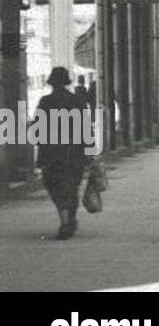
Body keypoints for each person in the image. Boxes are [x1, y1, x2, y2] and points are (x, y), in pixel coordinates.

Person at [36, 67, 89, 240]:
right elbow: (85, 128)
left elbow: (38, 128)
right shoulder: (77, 101)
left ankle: (66, 221)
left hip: (52, 153)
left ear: (52, 82)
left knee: (55, 187)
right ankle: (69, 220)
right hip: (74, 152)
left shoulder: (45, 102)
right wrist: (90, 151)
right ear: (67, 82)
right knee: (71, 187)